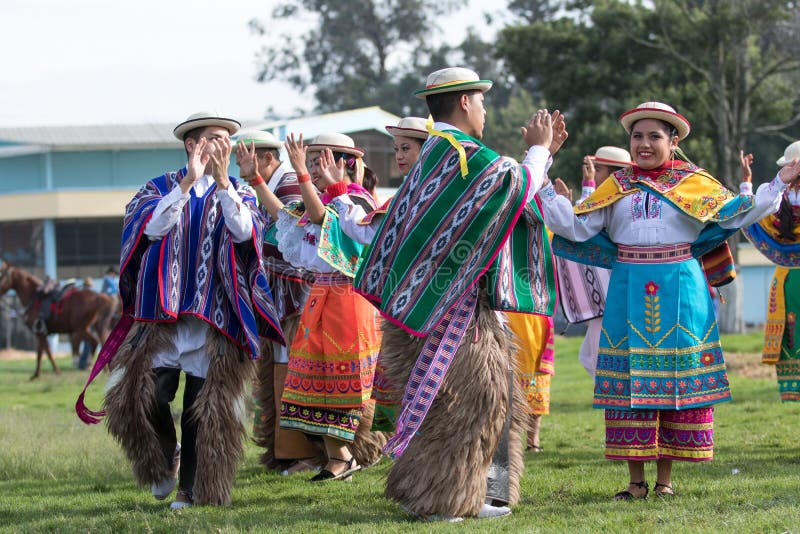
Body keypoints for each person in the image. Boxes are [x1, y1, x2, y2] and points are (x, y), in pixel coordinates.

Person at [539, 101, 799, 499]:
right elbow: (575, 225)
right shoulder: (617, 186)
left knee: (673, 382)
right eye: (637, 136)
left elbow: (740, 213)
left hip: (682, 288)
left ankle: (664, 482)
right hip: (628, 286)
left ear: (673, 141)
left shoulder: (696, 183)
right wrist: (542, 173)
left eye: (654, 136)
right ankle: (634, 482)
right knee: (630, 384)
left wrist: (780, 180)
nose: (644, 144)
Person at [354, 67, 560, 521]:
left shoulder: (440, 155)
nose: (485, 111)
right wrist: (539, 151)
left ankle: (466, 493)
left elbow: (508, 190)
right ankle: (440, 500)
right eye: (482, 102)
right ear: (465, 102)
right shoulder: (459, 156)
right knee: (460, 404)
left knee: (480, 398)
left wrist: (539, 157)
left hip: (436, 303)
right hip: (446, 308)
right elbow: (515, 186)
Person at [97, 111, 283, 509]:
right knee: (144, 397)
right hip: (161, 315)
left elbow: (245, 232)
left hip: (214, 317)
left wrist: (219, 183)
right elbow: (148, 231)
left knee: (203, 412)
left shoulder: (236, 190)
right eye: (213, 139)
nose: (222, 147)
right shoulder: (158, 187)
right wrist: (187, 183)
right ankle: (164, 458)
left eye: (226, 140)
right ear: (191, 144)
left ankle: (190, 489)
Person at [238, 132, 382, 482]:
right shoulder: (326, 200)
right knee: (314, 381)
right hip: (321, 297)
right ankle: (339, 456)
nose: (314, 168)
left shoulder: (359, 202)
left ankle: (351, 454)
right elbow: (285, 216)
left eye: (320, 160)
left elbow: (320, 218)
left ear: (345, 164)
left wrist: (301, 172)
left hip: (350, 301)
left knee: (343, 381)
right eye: (310, 160)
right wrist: (255, 179)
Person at [327, 116, 428, 430]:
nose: (398, 155)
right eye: (396, 148)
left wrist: (340, 190)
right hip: (408, 304)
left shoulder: (423, 193)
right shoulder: (407, 194)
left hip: (427, 305)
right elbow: (369, 231)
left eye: (406, 148)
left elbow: (367, 230)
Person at [234, 129, 323, 475]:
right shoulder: (271, 186)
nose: (239, 164)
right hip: (282, 301)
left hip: (298, 301)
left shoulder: (286, 187)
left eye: (247, 157)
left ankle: (305, 453)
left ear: (268, 159)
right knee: (279, 375)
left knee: (295, 376)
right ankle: (285, 451)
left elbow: (293, 231)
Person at [553, 147, 632, 378]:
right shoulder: (614, 200)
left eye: (598, 169)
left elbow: (587, 230)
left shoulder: (620, 202)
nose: (593, 173)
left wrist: (587, 188)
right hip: (604, 298)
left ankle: (621, 404)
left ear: (613, 175)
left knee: (599, 360)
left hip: (610, 295)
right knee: (590, 357)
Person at [741, 141, 800, 402]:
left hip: (785, 276)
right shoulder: (781, 199)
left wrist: (746, 185)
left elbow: (751, 216)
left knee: (790, 330)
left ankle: (791, 388)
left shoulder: (779, 202)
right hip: (788, 277)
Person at [505, 311, 555, 453]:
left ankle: (533, 442)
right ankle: (511, 444)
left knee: (537, 393)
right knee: (508, 396)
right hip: (511, 318)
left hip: (537, 321)